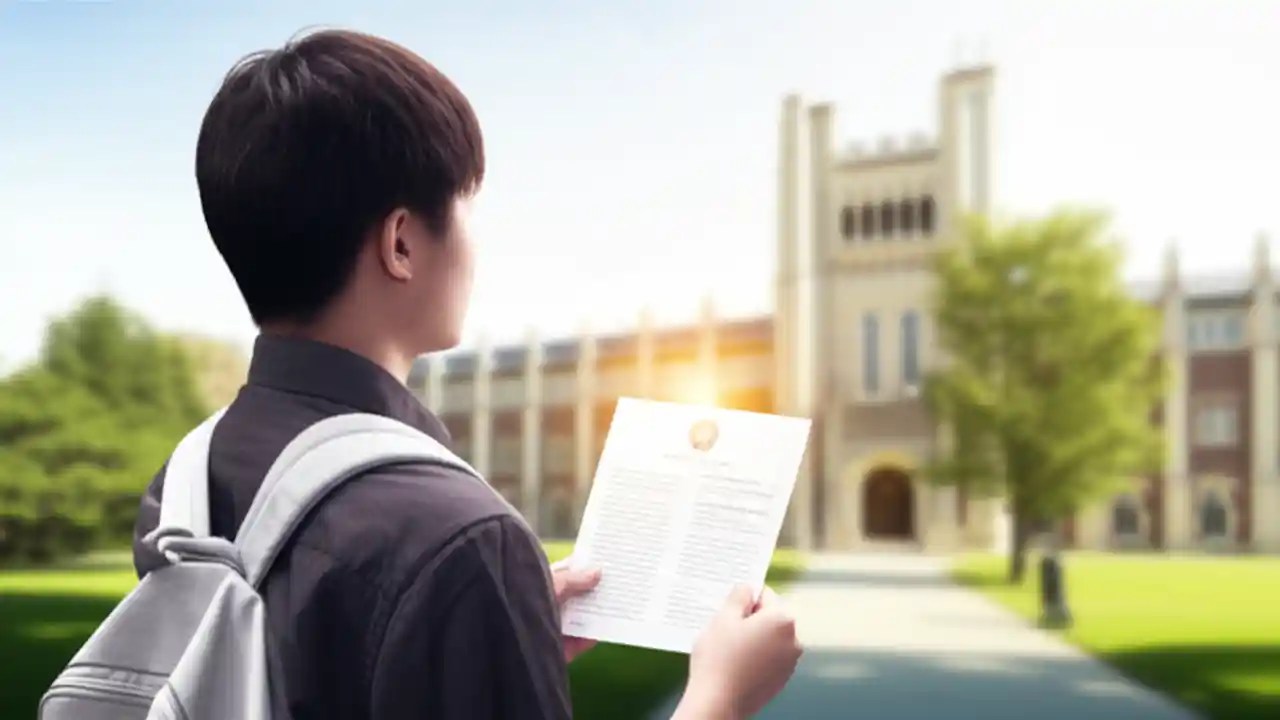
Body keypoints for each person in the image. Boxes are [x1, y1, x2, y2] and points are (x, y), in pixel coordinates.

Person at [130, 28, 801, 720]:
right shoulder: (463, 536)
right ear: (400, 243)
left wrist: (489, 633)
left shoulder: (185, 484)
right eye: (466, 206)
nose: (475, 245)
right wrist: (720, 698)